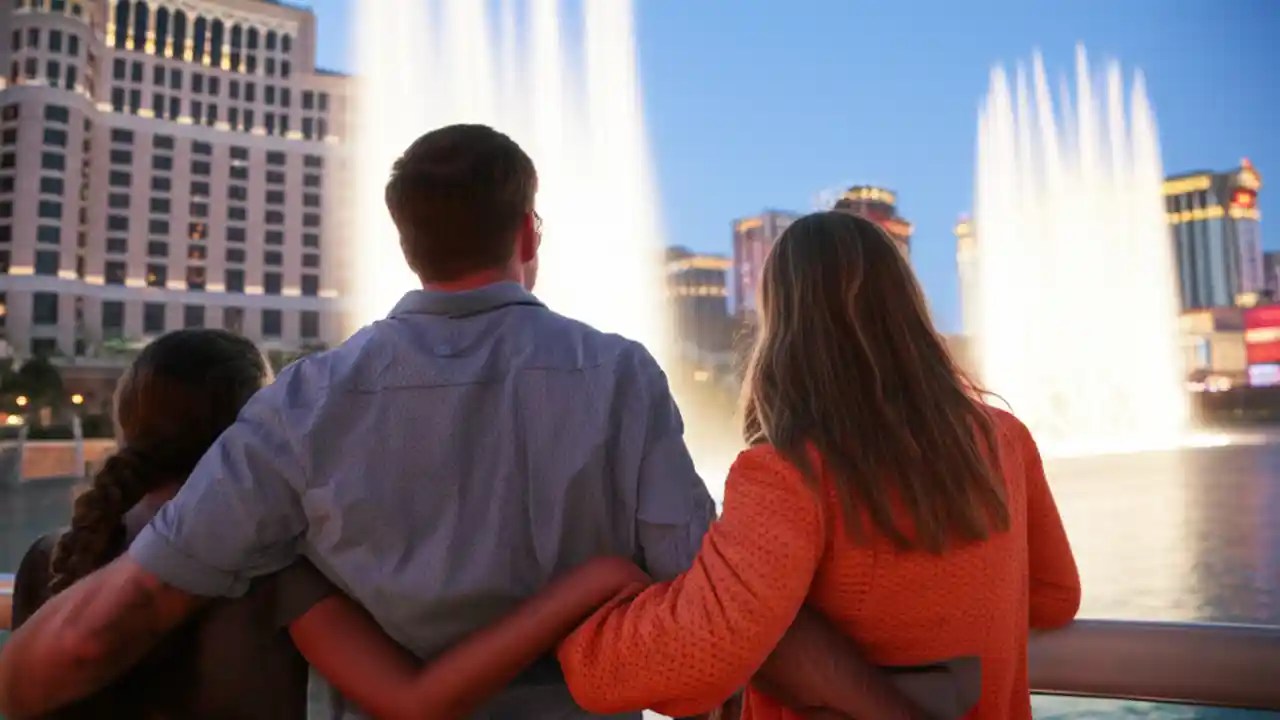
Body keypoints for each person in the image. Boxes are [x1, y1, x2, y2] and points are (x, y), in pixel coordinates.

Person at [0, 127, 923, 720]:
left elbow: (102, 629)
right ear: (529, 233)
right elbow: (717, 603)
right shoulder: (617, 376)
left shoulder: (302, 402)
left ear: (406, 246)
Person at [556, 211, 1083, 719]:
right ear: (908, 307)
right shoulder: (1003, 440)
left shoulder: (786, 473)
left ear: (781, 321)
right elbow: (1056, 597)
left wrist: (582, 635)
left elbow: (699, 652)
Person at [10, 328, 652, 719]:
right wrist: (588, 582)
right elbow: (418, 702)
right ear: (257, 432)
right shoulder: (276, 571)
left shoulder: (53, 556)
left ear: (127, 420)